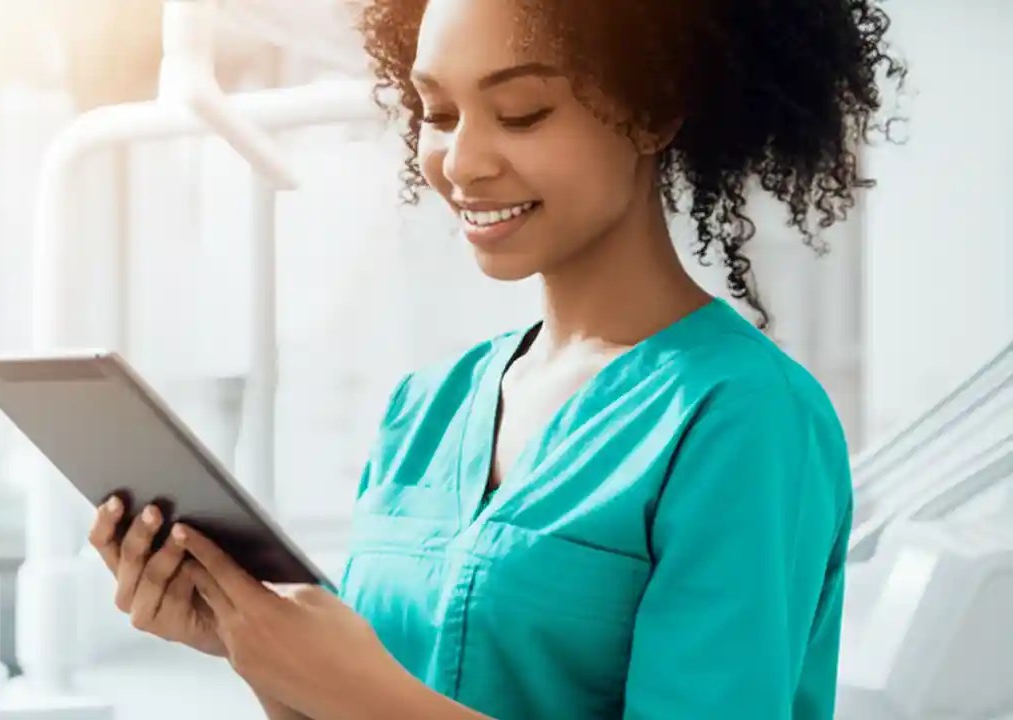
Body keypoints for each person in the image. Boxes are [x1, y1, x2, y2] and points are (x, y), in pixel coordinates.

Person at [87, 0, 904, 717]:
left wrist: (360, 692)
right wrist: (258, 649)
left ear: (652, 110)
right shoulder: (425, 408)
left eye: (520, 112)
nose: (463, 161)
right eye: (438, 113)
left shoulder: (741, 417)